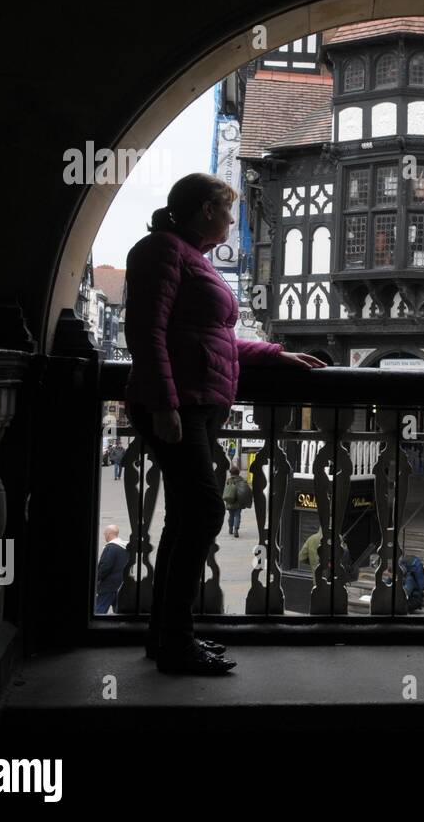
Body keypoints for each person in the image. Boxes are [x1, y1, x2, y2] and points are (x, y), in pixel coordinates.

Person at [124, 172, 326, 675]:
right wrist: (165, 404)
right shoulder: (162, 251)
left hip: (196, 404)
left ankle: (166, 637)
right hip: (180, 406)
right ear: (202, 209)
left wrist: (274, 355)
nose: (233, 220)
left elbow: (211, 339)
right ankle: (177, 641)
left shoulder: (187, 255)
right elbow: (146, 335)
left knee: (185, 519)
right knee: (204, 514)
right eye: (225, 209)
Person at [94, 525, 130, 614]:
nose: (104, 536)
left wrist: (97, 578)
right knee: (118, 611)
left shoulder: (111, 547)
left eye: (105, 534)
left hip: (108, 585)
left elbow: (105, 567)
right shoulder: (125, 548)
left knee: (99, 610)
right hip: (121, 584)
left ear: (109, 534)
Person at [221, 463, 252, 537]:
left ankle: (230, 528)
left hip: (230, 500)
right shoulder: (241, 480)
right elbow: (246, 490)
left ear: (231, 473)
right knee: (237, 515)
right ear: (238, 472)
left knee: (231, 515)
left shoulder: (228, 480)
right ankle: (236, 529)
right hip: (238, 501)